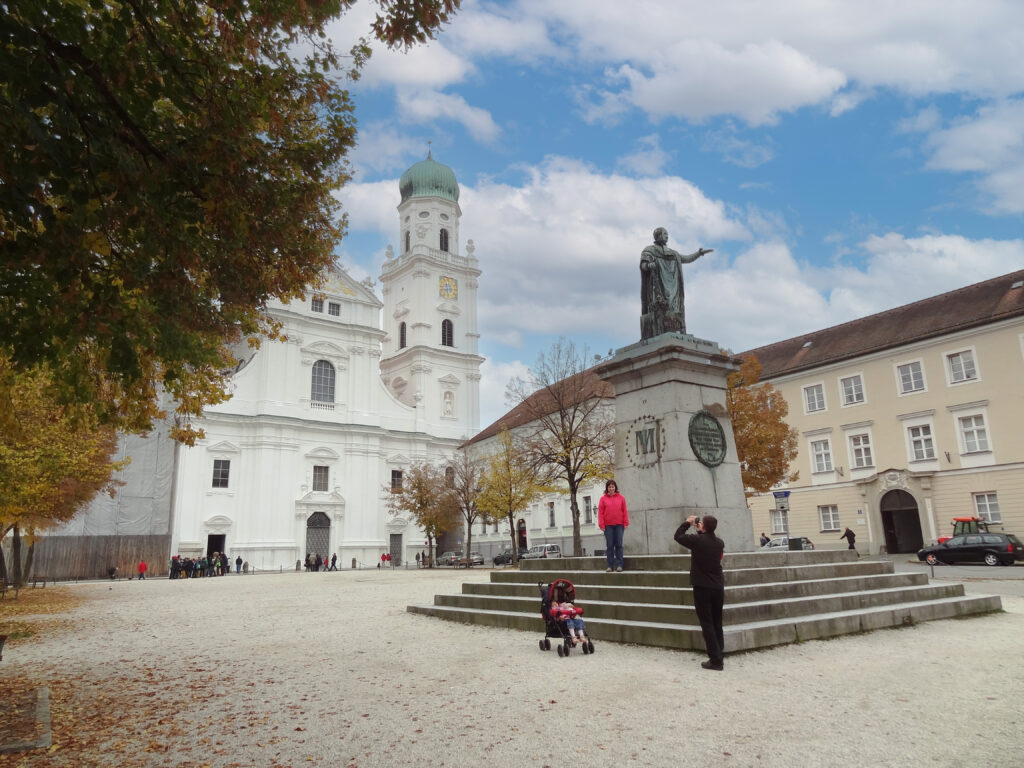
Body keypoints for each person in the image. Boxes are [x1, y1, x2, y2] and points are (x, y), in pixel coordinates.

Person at [674, 514, 725, 671]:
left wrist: (687, 523)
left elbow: (678, 536)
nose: (698, 523)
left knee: (707, 623)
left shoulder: (698, 541)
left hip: (702, 586)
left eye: (700, 523)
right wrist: (700, 529)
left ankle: (716, 661)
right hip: (718, 586)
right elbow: (705, 541)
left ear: (703, 527)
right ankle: (719, 652)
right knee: (717, 621)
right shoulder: (719, 543)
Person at [640, 227, 711, 339]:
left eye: (667, 234)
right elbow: (643, 265)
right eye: (664, 234)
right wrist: (649, 265)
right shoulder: (650, 250)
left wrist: (698, 253)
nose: (667, 236)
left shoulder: (673, 253)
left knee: (674, 309)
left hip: (673, 286)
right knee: (661, 308)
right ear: (658, 235)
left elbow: (686, 258)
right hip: (658, 286)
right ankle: (660, 330)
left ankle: (676, 329)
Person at [598, 480, 629, 572]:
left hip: (619, 525)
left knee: (619, 544)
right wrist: (601, 524)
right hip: (608, 526)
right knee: (610, 546)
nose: (611, 488)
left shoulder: (621, 498)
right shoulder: (603, 499)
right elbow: (600, 513)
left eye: (613, 486)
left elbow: (624, 511)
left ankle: (619, 565)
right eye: (609, 487)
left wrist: (626, 522)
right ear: (607, 488)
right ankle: (610, 566)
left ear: (615, 487)